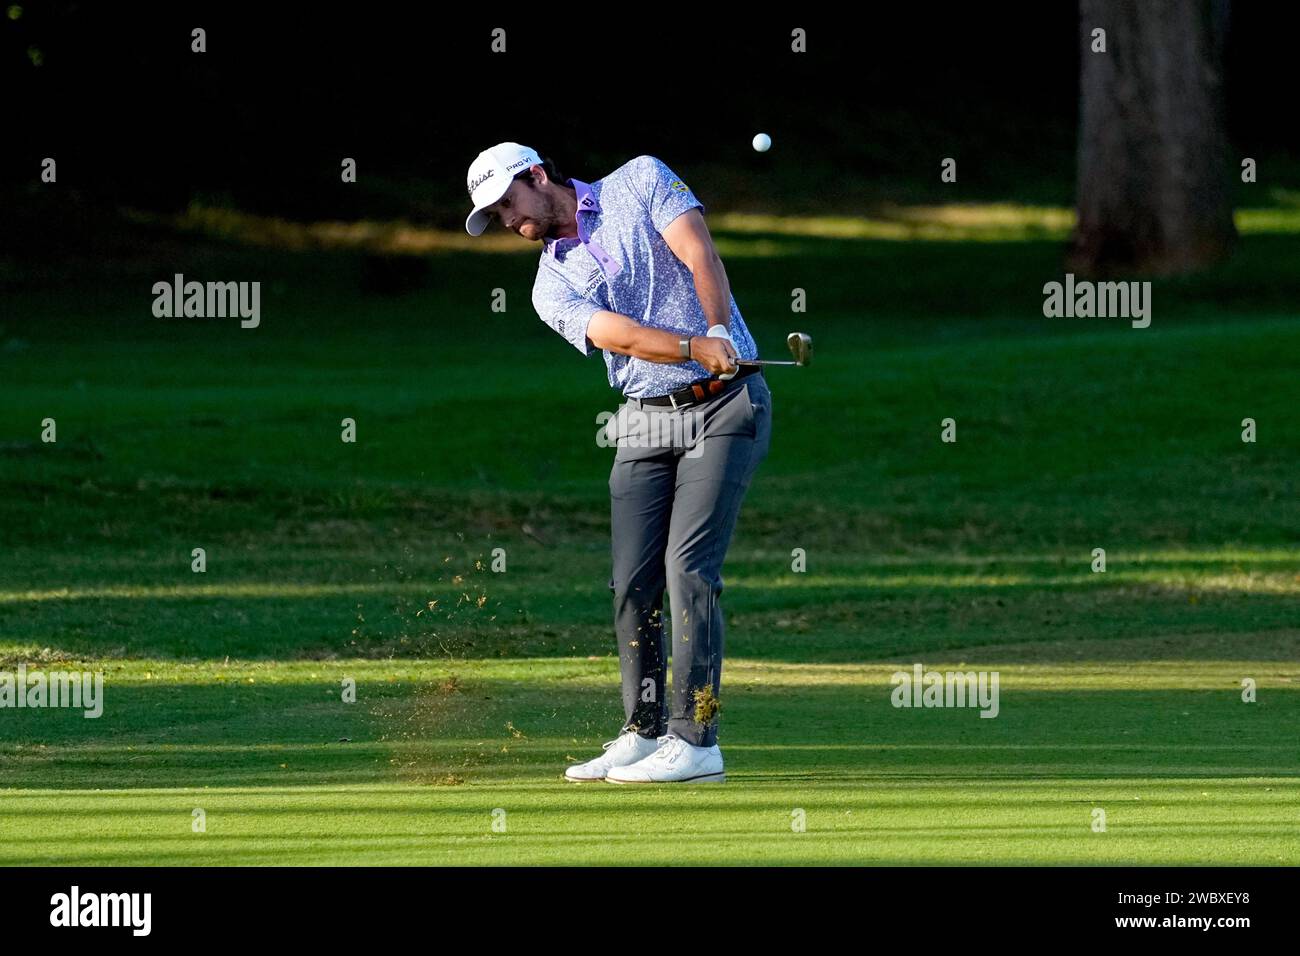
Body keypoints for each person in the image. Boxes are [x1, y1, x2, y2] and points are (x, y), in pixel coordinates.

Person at [464, 142, 772, 783]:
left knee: (688, 568)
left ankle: (697, 740)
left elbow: (698, 253)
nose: (507, 221)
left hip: (725, 405)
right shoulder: (550, 285)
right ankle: (646, 727)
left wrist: (718, 331)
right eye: (493, 217)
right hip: (643, 414)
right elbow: (617, 335)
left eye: (507, 204)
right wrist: (691, 344)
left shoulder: (641, 178)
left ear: (538, 176)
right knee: (632, 579)